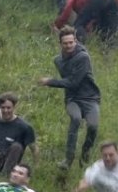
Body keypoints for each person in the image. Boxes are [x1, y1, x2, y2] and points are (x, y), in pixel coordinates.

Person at [37, 26, 101, 171]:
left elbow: (73, 82)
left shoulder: (83, 57)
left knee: (93, 126)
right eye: (65, 43)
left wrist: (50, 82)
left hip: (90, 98)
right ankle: (68, 158)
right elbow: (69, 83)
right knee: (76, 119)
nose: (69, 46)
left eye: (71, 42)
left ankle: (85, 153)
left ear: (75, 41)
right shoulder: (58, 60)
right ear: (60, 43)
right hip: (72, 99)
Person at [54, 0, 118, 44]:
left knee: (78, 25)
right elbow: (88, 12)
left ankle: (81, 48)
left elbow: (66, 7)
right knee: (107, 30)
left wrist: (58, 25)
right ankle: (110, 53)